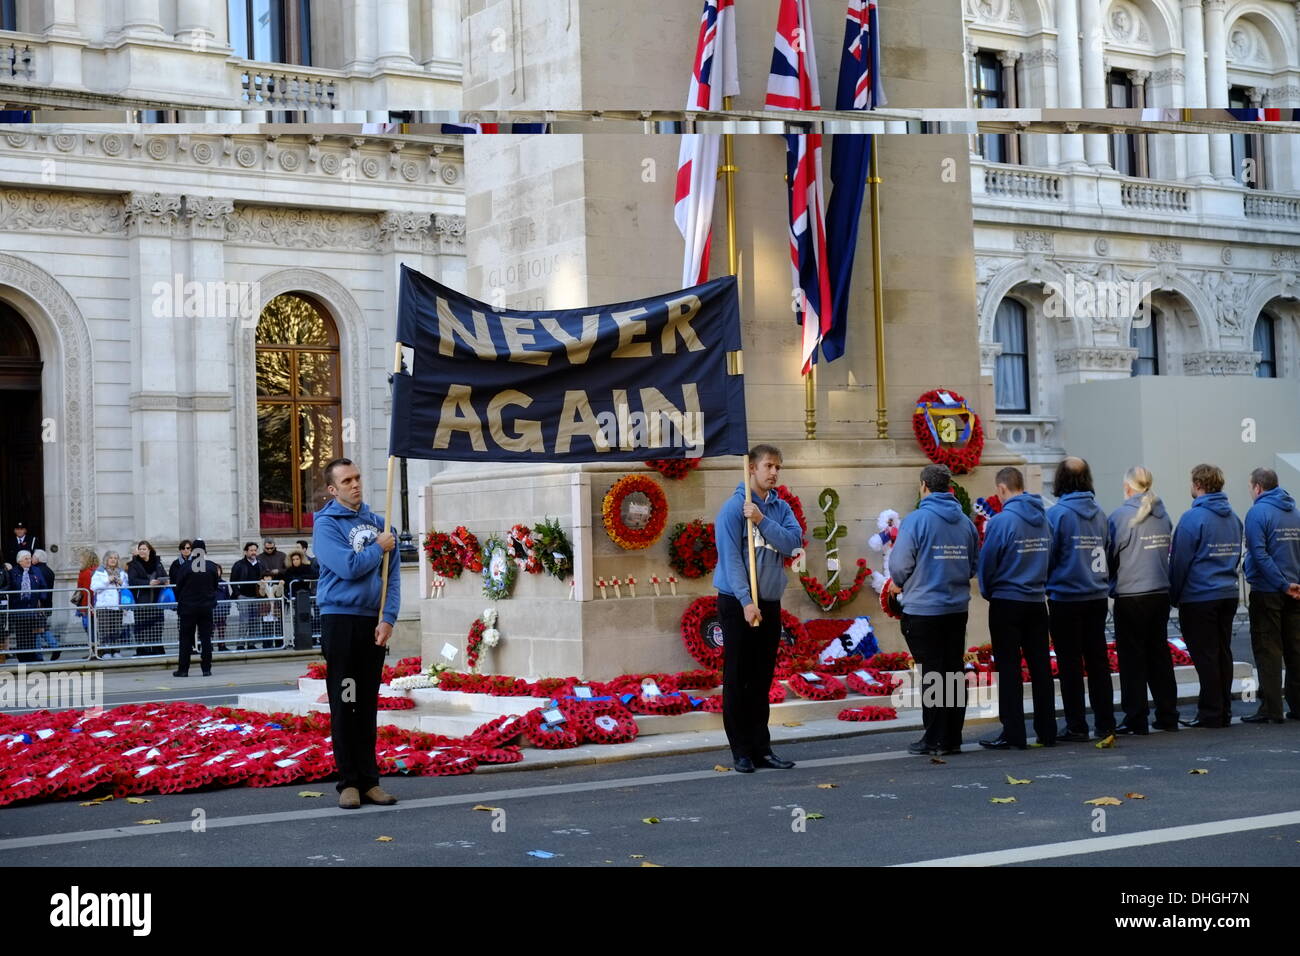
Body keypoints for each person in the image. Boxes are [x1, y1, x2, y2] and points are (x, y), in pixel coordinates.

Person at [712, 444, 805, 773]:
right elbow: (732, 560)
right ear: (751, 468)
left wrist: (762, 520)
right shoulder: (731, 509)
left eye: (778, 467)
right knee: (738, 677)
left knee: (762, 677)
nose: (774, 472)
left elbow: (793, 543)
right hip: (738, 602)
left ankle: (761, 747)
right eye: (768, 466)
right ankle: (741, 750)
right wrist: (746, 602)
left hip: (768, 601)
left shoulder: (779, 508)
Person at [314, 457, 401, 809]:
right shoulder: (326, 525)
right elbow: (347, 568)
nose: (355, 484)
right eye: (347, 480)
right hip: (340, 620)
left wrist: (389, 618)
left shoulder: (380, 523)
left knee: (366, 704)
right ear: (333, 489)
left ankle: (370, 781)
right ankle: (347, 782)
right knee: (344, 701)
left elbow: (391, 578)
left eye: (358, 477)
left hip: (371, 622)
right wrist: (379, 546)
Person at [888, 463, 981, 756]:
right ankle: (952, 735)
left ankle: (933, 737)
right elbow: (973, 565)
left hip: (924, 608)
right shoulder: (965, 522)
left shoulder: (917, 520)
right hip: (955, 607)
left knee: (932, 673)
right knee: (952, 670)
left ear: (924, 486)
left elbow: (899, 566)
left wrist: (898, 584)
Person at [977, 467, 1056, 750]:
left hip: (1007, 601)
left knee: (1009, 669)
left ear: (1001, 489)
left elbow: (987, 563)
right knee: (1041, 668)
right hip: (1036, 601)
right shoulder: (1043, 519)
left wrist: (990, 592)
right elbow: (1052, 554)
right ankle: (1047, 730)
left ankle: (1014, 732)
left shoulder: (1000, 522)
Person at [1168, 464, 1244, 728]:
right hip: (1228, 592)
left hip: (1200, 596)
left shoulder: (1192, 519)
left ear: (1198, 484)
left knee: (1206, 656)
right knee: (1222, 652)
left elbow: (1179, 562)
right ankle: (1223, 708)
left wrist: (1174, 595)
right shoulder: (1233, 518)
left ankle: (1211, 712)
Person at [1046, 457, 1115, 742]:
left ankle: (1076, 724)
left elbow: (1050, 555)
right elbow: (1108, 549)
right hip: (1096, 595)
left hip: (1066, 596)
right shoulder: (1100, 513)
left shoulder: (1057, 514)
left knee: (1070, 663)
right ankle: (1106, 722)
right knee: (1098, 660)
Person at [1108, 466, 1178, 734]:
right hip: (1159, 592)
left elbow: (1110, 554)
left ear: (1128, 488)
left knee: (1132, 659)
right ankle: (1167, 714)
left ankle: (1136, 717)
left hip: (1131, 594)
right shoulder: (1163, 515)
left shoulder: (1120, 516)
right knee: (1159, 655)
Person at [1242, 467, 1300, 724]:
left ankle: (1271, 709)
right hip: (1296, 591)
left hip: (1269, 591)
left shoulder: (1257, 512)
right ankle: (1298, 706)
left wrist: (1281, 583)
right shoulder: (1295, 512)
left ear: (1257, 487)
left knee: (1268, 650)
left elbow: (1259, 553)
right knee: (1295, 649)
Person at [173, 538, 221, 677]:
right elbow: (214, 585)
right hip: (206, 607)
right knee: (206, 638)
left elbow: (179, 586)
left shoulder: (186, 566)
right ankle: (206, 668)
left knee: (186, 638)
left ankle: (183, 669)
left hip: (188, 607)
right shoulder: (212, 566)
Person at [126, 541, 167, 656]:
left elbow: (163, 574)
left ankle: (157, 649)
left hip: (157, 598)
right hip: (142, 599)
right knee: (141, 625)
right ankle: (143, 650)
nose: (142, 551)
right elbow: (132, 580)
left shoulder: (157, 562)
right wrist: (148, 582)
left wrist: (165, 581)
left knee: (157, 625)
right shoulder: (133, 564)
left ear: (149, 550)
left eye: (144, 549)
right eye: (140, 549)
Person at [230, 542, 270, 650]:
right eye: (251, 550)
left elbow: (266, 577)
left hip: (257, 597)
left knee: (255, 621)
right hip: (244, 596)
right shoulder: (239, 564)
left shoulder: (261, 564)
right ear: (246, 552)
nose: (253, 552)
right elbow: (232, 581)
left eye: (255, 550)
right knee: (244, 620)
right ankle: (240, 644)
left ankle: (252, 643)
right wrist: (238, 595)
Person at [6, 551, 44, 663]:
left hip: (32, 610)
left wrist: (41, 599)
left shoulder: (36, 571)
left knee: (31, 637)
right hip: (19, 610)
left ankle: (31, 659)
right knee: (21, 637)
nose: (29, 561)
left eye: (29, 558)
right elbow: (9, 587)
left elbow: (43, 586)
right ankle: (22, 660)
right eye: (26, 558)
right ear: (19, 561)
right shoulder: (13, 572)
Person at [90, 551, 128, 659]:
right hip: (103, 605)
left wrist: (122, 583)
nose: (113, 560)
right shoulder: (99, 572)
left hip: (117, 605)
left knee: (116, 629)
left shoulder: (122, 572)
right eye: (110, 558)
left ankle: (116, 651)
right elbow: (93, 587)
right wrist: (107, 580)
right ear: (106, 559)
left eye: (115, 558)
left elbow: (126, 587)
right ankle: (105, 651)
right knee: (104, 629)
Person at [73, 548, 98, 643]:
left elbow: (87, 591)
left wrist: (84, 608)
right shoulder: (95, 571)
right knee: (92, 628)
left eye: (82, 558)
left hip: (87, 604)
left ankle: (94, 650)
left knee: (89, 628)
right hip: (91, 604)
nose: (80, 560)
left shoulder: (86, 572)